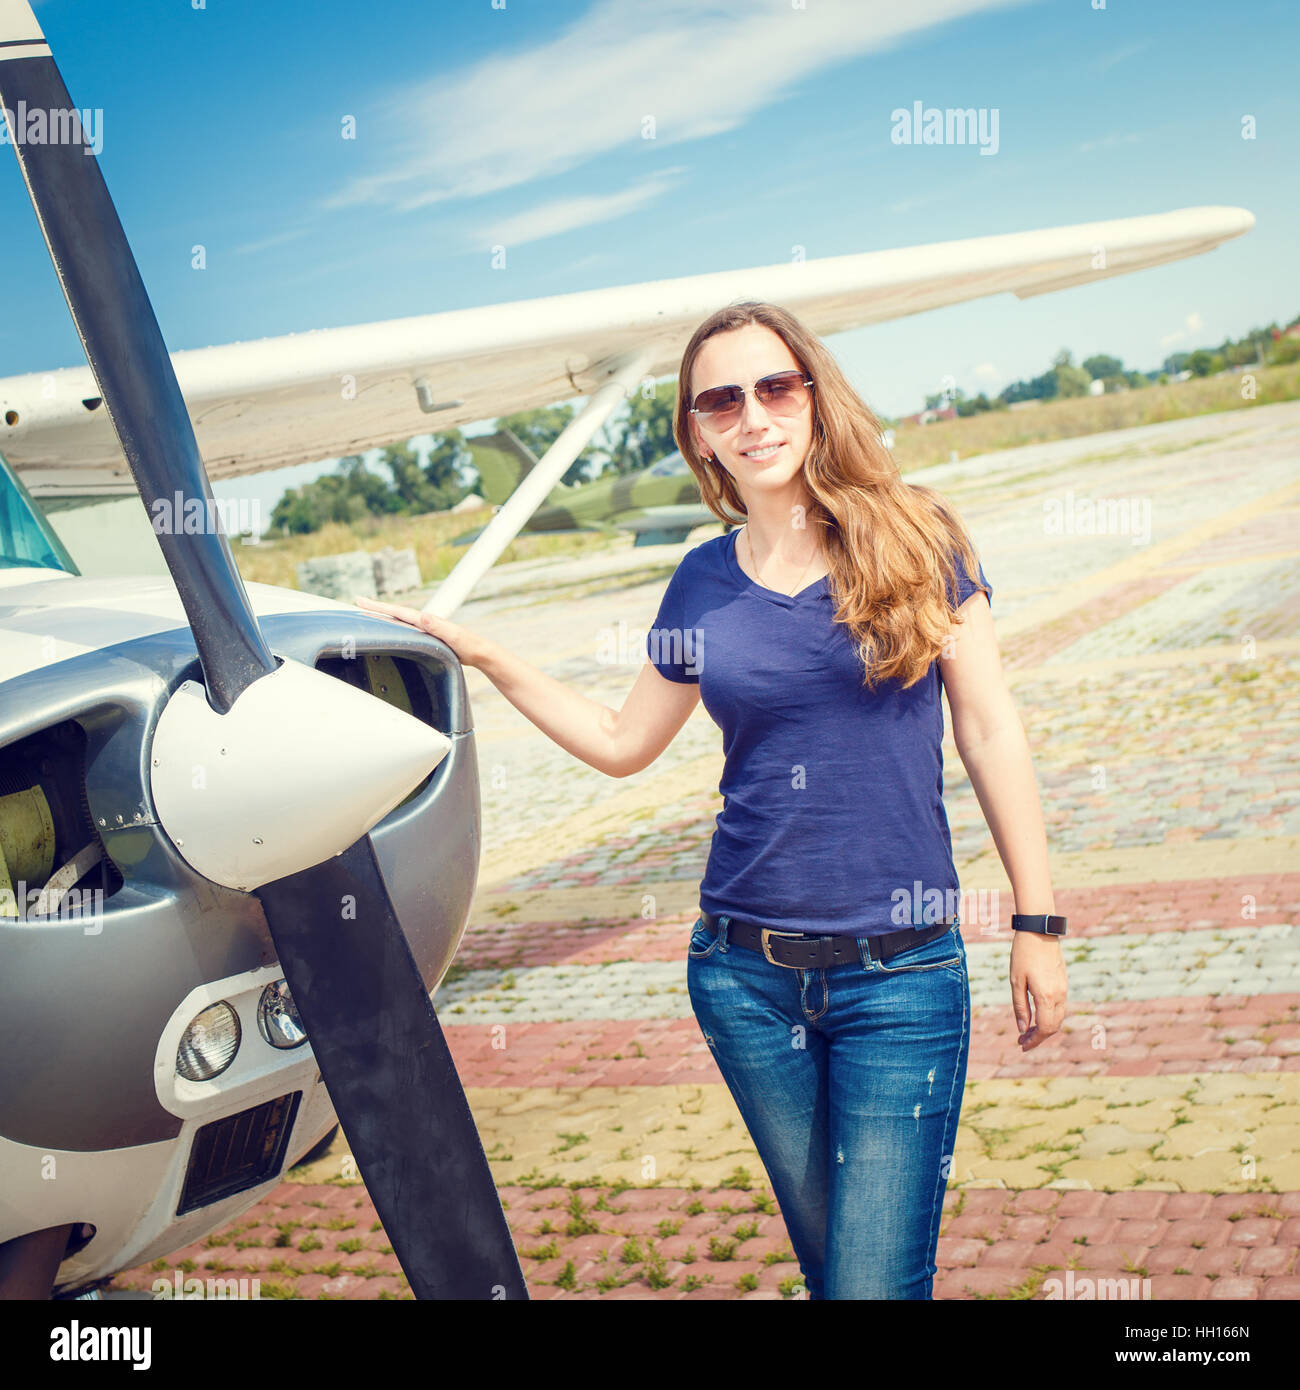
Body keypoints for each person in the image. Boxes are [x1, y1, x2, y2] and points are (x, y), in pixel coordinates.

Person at [355, 299, 1068, 1300]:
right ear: (697, 430)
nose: (754, 416)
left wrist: (1037, 920)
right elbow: (621, 741)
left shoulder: (921, 535)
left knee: (871, 1283)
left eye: (774, 387)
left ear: (813, 396)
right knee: (839, 1278)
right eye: (721, 400)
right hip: (743, 980)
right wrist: (483, 654)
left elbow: (989, 730)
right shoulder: (699, 582)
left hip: (899, 978)